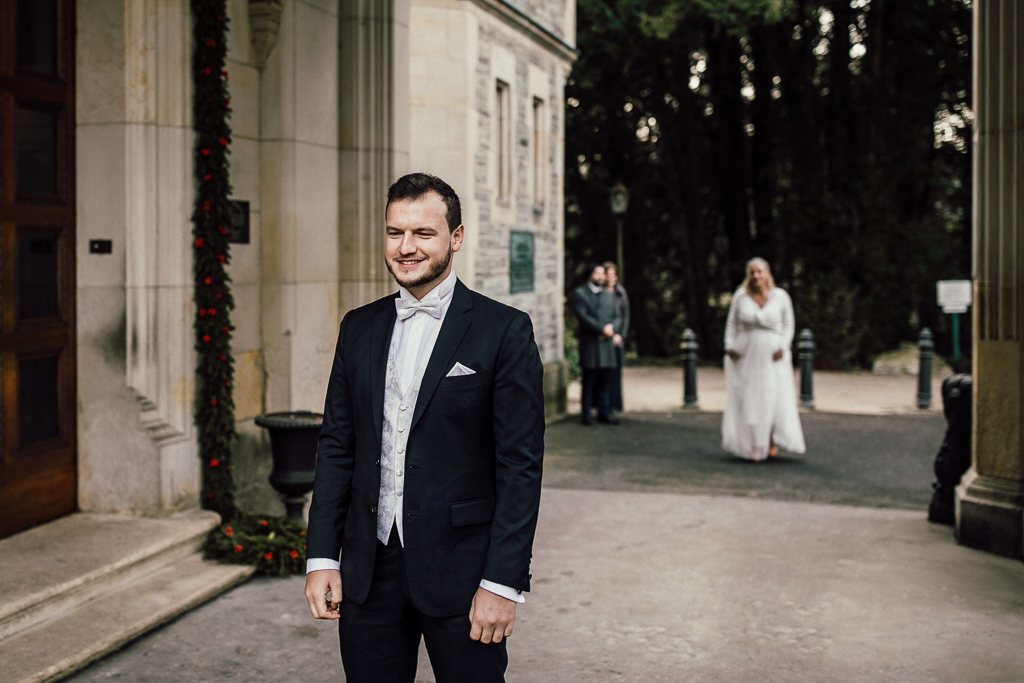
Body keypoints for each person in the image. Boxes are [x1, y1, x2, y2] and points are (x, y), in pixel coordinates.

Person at [304, 173, 545, 683]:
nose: (406, 247)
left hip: (464, 575)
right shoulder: (359, 327)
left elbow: (520, 467)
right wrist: (323, 556)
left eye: (423, 233)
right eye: (395, 233)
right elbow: (337, 447)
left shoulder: (504, 330)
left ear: (456, 238)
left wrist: (502, 583)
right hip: (369, 572)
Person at [721, 257, 806, 461]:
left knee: (772, 396)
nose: (756, 276)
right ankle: (753, 444)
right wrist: (729, 346)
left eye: (760, 271)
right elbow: (731, 323)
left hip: (772, 356)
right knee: (749, 397)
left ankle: (770, 439)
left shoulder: (780, 297)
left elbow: (789, 325)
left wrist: (783, 347)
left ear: (767, 273)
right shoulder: (740, 297)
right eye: (752, 272)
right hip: (746, 355)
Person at [571, 264, 619, 425]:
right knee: (589, 380)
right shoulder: (580, 294)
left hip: (606, 343)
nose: (600, 276)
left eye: (602, 273)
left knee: (605, 381)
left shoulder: (609, 294)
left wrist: (612, 328)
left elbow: (617, 315)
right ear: (590, 274)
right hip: (590, 343)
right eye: (597, 273)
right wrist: (601, 329)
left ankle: (604, 413)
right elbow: (583, 317)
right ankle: (586, 414)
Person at [603, 262, 629, 414]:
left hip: (617, 339)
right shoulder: (600, 293)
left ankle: (614, 405)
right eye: (608, 274)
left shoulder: (620, 293)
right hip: (603, 337)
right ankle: (603, 406)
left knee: (616, 374)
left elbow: (625, 316)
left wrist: (620, 335)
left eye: (613, 275)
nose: (611, 278)